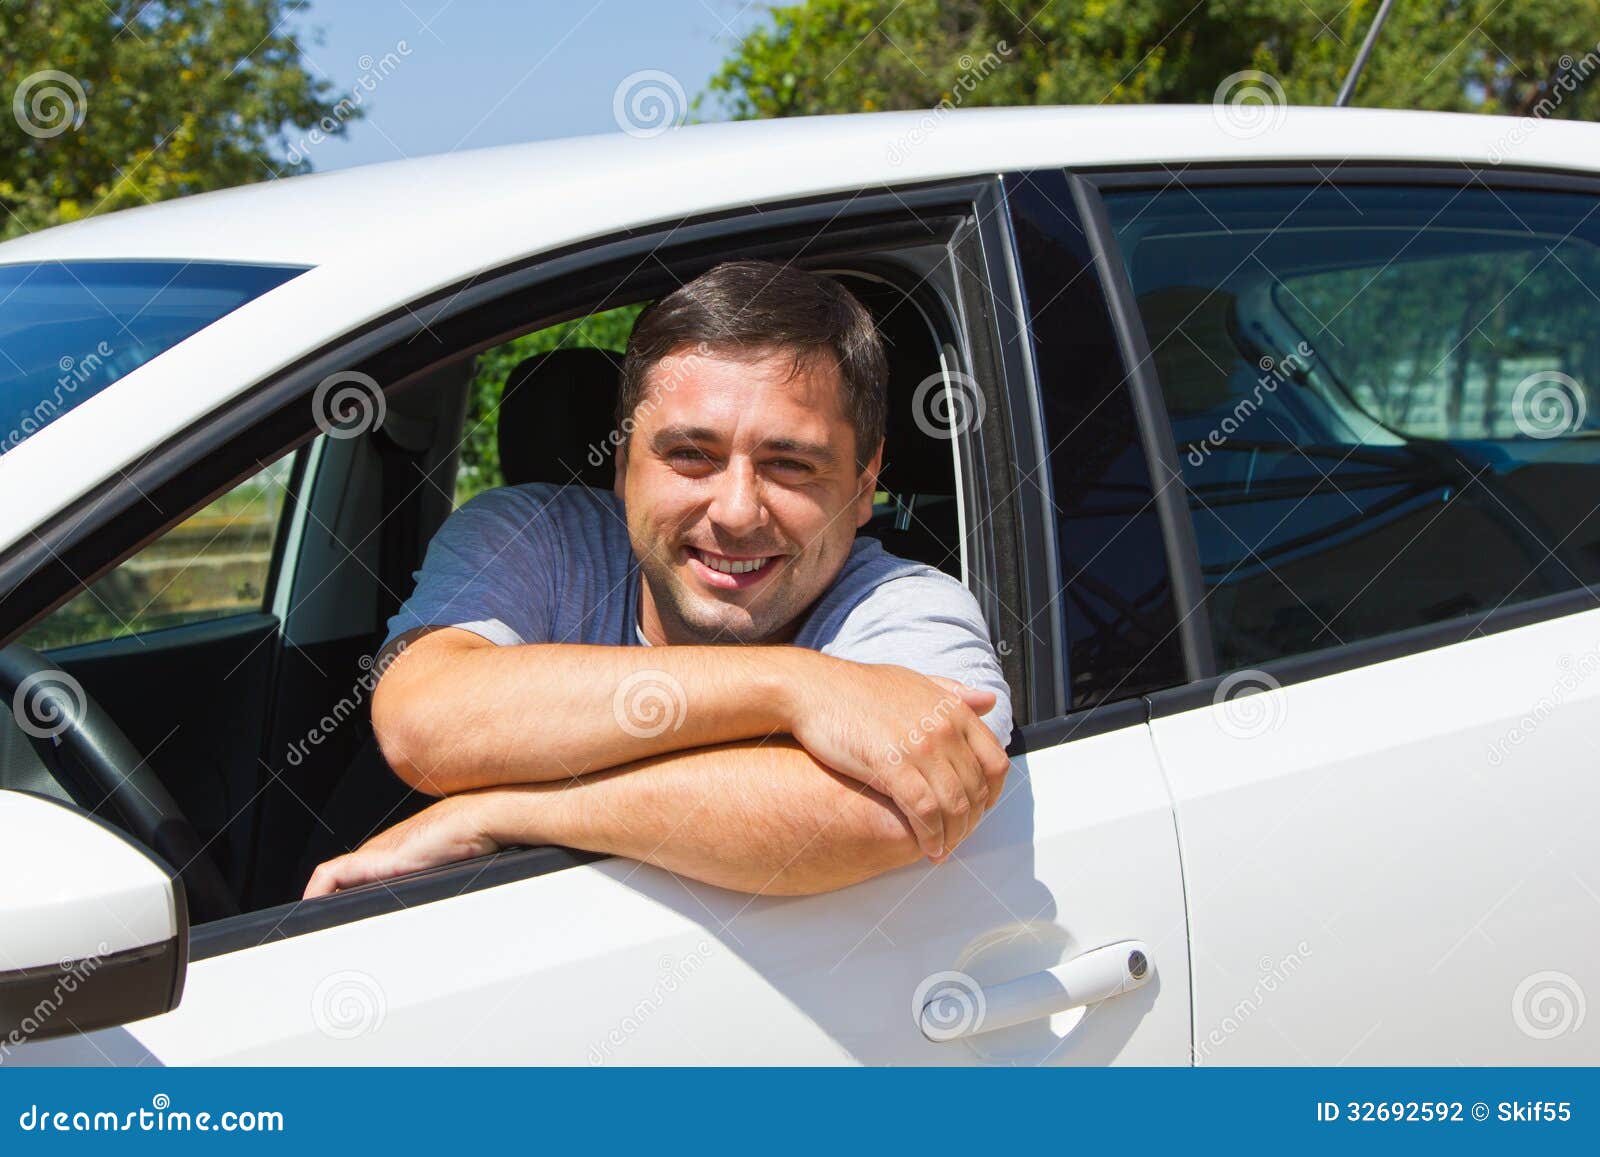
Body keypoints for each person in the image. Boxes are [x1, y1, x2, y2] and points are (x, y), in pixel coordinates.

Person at [303, 259, 1012, 900]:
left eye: (790, 464)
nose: (736, 511)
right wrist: (795, 686)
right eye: (691, 455)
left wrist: (498, 811)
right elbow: (422, 719)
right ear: (620, 463)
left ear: (863, 484)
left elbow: (882, 814)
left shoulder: (911, 608)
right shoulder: (531, 536)